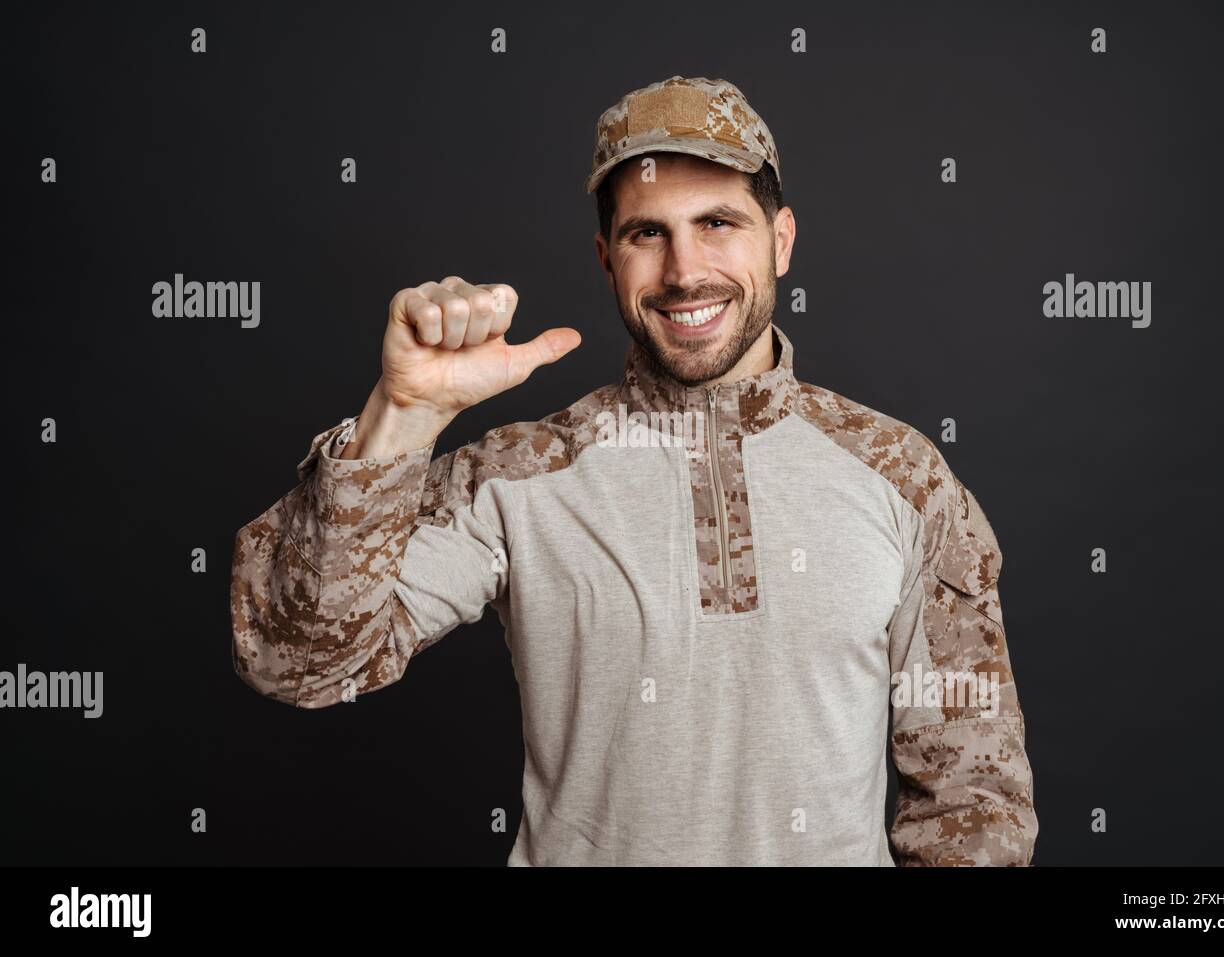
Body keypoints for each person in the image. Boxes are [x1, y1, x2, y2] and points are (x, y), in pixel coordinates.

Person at [230, 75, 1038, 866]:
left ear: (782, 240)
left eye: (718, 222)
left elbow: (973, 802)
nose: (685, 270)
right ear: (606, 258)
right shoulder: (518, 476)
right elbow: (297, 660)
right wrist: (402, 414)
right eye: (647, 232)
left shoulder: (902, 475)